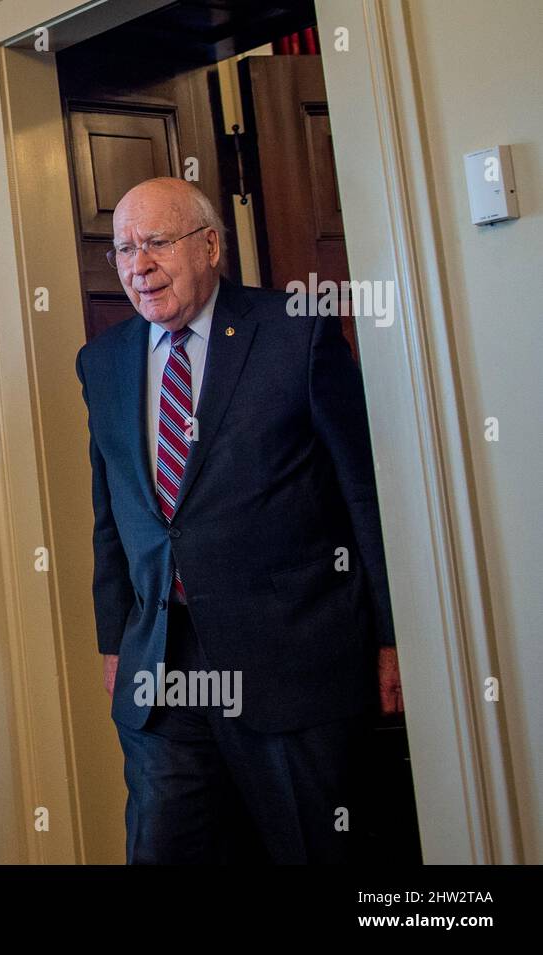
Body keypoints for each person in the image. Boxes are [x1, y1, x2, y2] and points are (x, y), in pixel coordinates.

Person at [76, 177, 403, 864]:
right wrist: (115, 640)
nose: (138, 265)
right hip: (162, 671)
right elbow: (112, 516)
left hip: (292, 666)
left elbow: (364, 495)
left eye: (157, 243)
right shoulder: (102, 363)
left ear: (211, 245)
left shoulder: (296, 331)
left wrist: (392, 637)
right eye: (125, 249)